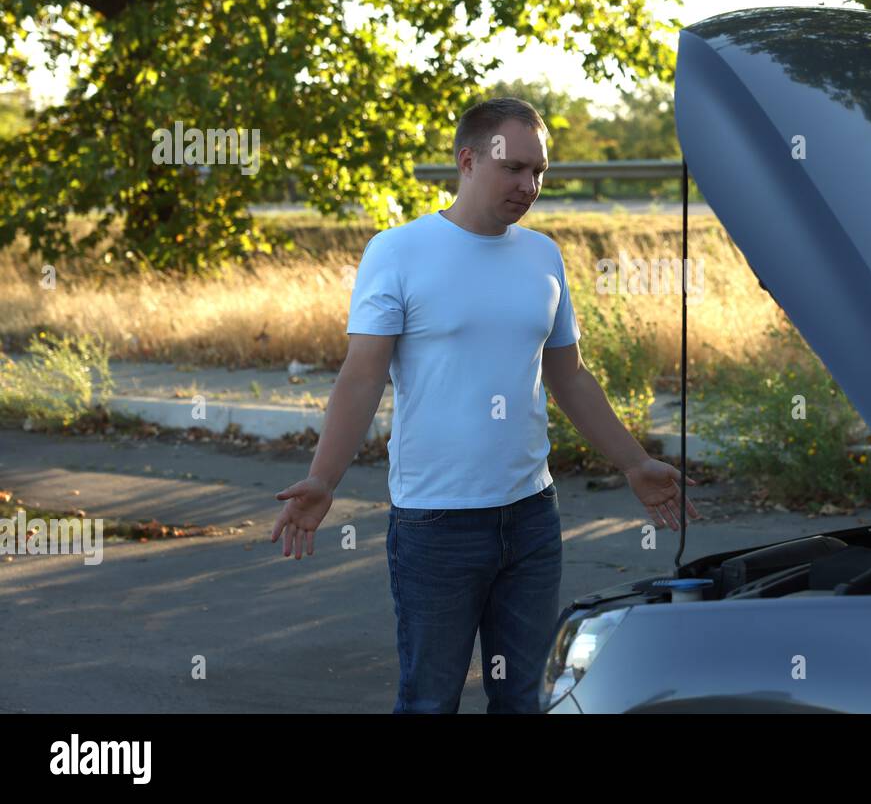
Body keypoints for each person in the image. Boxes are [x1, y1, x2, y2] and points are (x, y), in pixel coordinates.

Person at [270, 97, 700, 713]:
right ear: (468, 161)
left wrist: (634, 462)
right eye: (515, 168)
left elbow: (569, 375)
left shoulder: (542, 256)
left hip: (531, 516)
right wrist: (322, 478)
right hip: (435, 522)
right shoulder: (397, 252)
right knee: (430, 700)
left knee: (525, 698)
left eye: (540, 171)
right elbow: (361, 376)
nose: (529, 186)